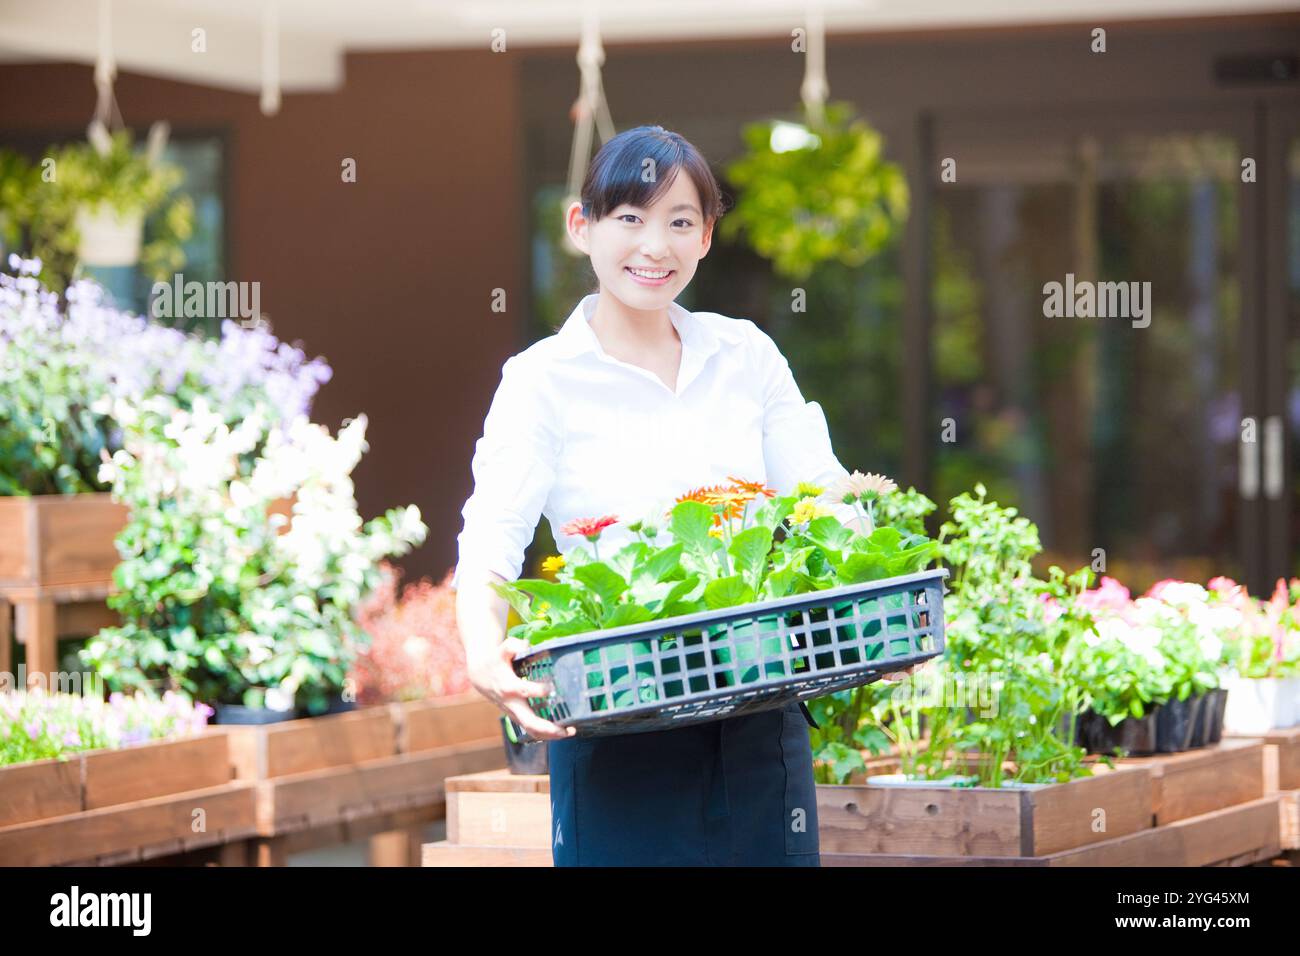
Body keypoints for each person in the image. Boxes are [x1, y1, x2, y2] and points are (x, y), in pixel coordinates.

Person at [453, 124, 921, 866]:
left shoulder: (745, 354)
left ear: (706, 237)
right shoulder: (541, 380)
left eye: (679, 222)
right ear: (583, 227)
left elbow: (823, 496)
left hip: (758, 709)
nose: (655, 245)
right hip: (614, 714)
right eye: (631, 218)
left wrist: (875, 578)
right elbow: (493, 529)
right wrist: (482, 647)